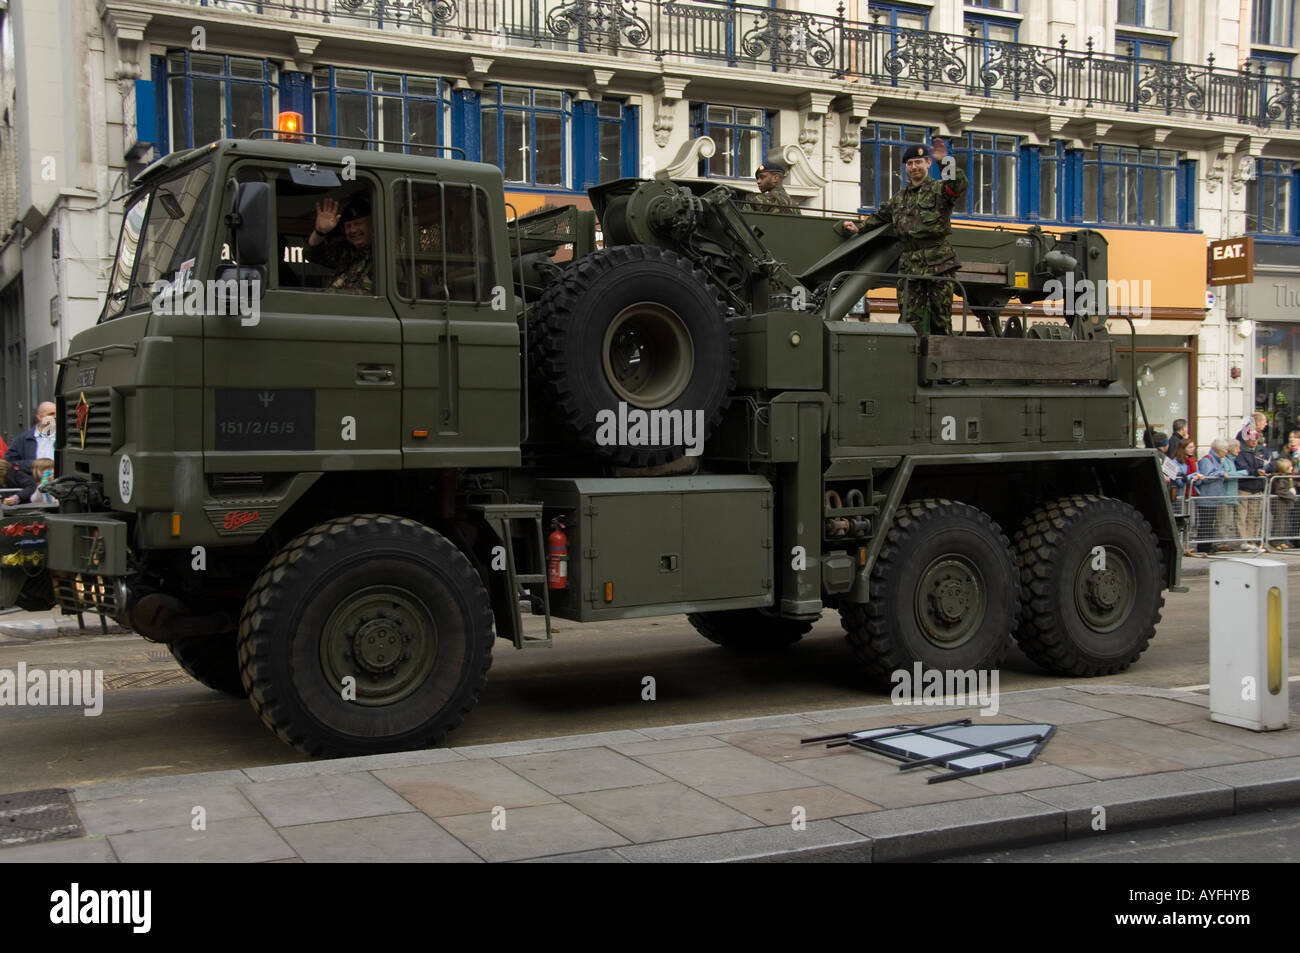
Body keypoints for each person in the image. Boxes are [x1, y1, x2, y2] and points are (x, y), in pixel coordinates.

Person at [837, 143, 969, 335]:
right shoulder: (899, 199)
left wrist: (944, 161)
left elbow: (959, 185)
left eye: (918, 162)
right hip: (910, 263)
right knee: (908, 319)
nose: (914, 167)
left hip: (938, 261)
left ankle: (941, 360)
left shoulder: (939, 190)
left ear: (928, 163)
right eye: (910, 163)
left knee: (940, 318)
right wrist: (859, 228)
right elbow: (879, 217)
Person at [305, 195, 374, 294]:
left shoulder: (385, 253)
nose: (353, 230)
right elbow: (311, 254)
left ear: (372, 224)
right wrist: (320, 232)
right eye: (348, 226)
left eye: (358, 224)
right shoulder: (346, 252)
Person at [4, 401, 56, 498]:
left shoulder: (65, 438)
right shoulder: (22, 439)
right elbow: (9, 464)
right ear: (40, 417)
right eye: (51, 414)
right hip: (33, 492)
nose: (55, 417)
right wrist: (35, 465)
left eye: (57, 414)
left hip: (60, 488)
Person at [1236, 427, 1273, 545]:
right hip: (1244, 488)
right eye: (1251, 439)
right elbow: (1241, 467)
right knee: (1242, 516)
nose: (1254, 441)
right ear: (1245, 439)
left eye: (1256, 438)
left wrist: (1265, 468)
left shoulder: (1263, 450)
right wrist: (1256, 471)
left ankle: (1253, 540)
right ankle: (1243, 541)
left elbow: (1272, 463)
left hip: (1258, 488)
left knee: (1255, 516)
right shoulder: (1240, 452)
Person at [1267, 457, 1297, 550]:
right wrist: (1292, 496)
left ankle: (1281, 540)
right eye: (1290, 467)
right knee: (1279, 523)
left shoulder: (1287, 477)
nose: (1292, 468)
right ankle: (1275, 541)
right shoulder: (1279, 479)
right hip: (1279, 504)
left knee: (1284, 523)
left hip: (1285, 504)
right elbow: (1280, 490)